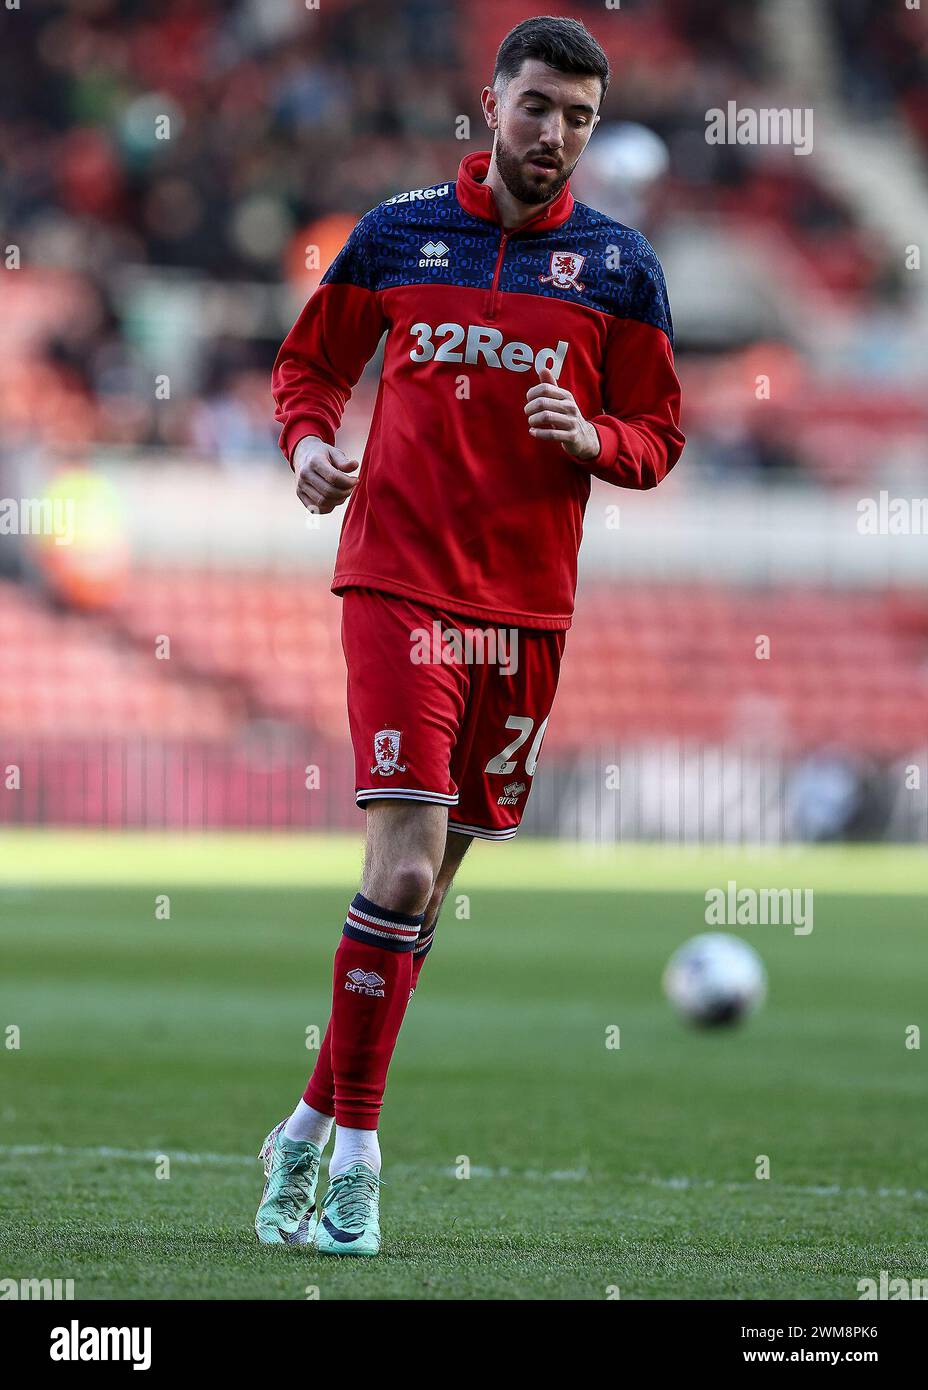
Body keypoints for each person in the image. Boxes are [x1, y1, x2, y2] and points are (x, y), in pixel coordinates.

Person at [258, 14, 684, 1255]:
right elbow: (307, 371)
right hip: (396, 584)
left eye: (580, 118)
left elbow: (657, 435)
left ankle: (297, 1123)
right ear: (490, 102)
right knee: (398, 870)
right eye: (538, 107)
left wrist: (591, 441)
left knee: (425, 894)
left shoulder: (619, 271)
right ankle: (355, 1161)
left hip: (525, 616)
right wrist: (308, 449)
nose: (555, 136)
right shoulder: (395, 235)